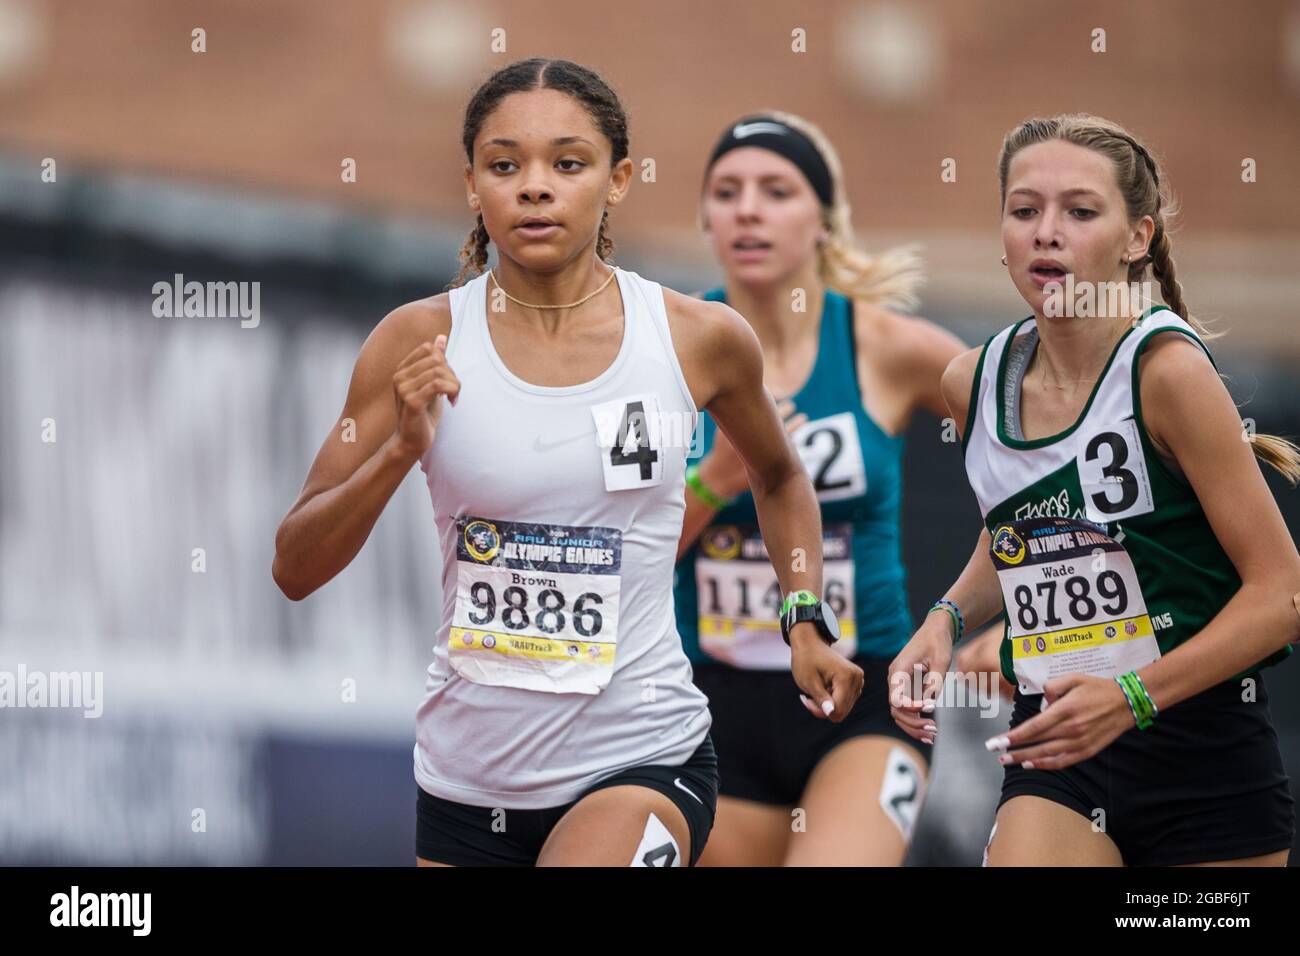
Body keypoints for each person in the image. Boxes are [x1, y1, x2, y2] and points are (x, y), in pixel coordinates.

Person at [271, 58, 862, 867]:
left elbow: (780, 474)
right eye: (505, 165)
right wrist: (400, 452)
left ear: (617, 180)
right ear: (473, 183)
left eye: (568, 163)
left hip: (642, 755)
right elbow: (295, 564)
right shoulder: (414, 341)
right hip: (470, 781)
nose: (535, 187)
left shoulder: (696, 338)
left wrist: (804, 617)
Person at [890, 113, 1300, 867]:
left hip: (1200, 753)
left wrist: (1134, 694)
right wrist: (946, 618)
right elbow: (1023, 527)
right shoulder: (970, 381)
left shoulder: (1167, 372)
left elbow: (1283, 599)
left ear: (1136, 237)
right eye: (1025, 211)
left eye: (1079, 212)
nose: (1047, 232)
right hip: (1058, 743)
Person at [673, 112, 965, 865]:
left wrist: (982, 612)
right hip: (707, 704)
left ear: (825, 222)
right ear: (705, 216)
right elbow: (620, 553)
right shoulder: (664, 351)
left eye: (776, 190)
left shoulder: (887, 347)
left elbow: (1032, 452)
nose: (748, 209)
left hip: (862, 691)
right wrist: (715, 481)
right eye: (727, 191)